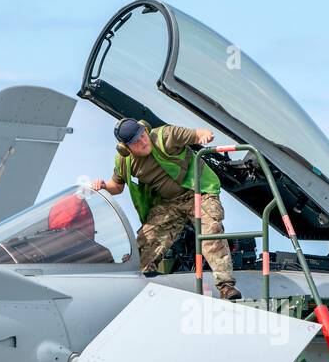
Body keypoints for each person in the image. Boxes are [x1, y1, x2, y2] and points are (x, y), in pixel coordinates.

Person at [92, 118, 242, 300]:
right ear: (126, 148)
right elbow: (117, 186)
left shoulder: (166, 136)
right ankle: (137, 284)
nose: (143, 141)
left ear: (145, 130)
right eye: (135, 141)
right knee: (146, 240)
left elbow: (198, 134)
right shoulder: (124, 162)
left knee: (210, 231)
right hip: (170, 202)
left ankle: (226, 286)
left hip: (199, 192)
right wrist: (102, 186)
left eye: (142, 135)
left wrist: (205, 136)